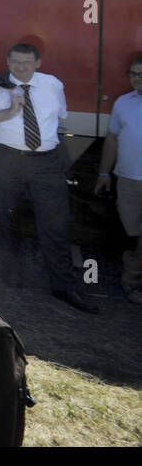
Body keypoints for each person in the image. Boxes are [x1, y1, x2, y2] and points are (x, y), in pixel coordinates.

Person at [0, 43, 94, 312]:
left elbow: (59, 115)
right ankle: (9, 278)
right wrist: (9, 112)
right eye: (15, 62)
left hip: (45, 161)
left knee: (55, 223)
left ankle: (63, 287)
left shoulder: (52, 84)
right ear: (8, 61)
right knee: (8, 218)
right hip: (5, 159)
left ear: (38, 63)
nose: (20, 67)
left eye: (26, 62)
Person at [95, 55, 142, 305]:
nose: (137, 79)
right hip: (128, 179)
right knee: (132, 233)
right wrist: (104, 173)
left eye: (141, 74)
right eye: (133, 74)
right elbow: (112, 139)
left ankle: (132, 282)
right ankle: (131, 272)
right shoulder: (123, 103)